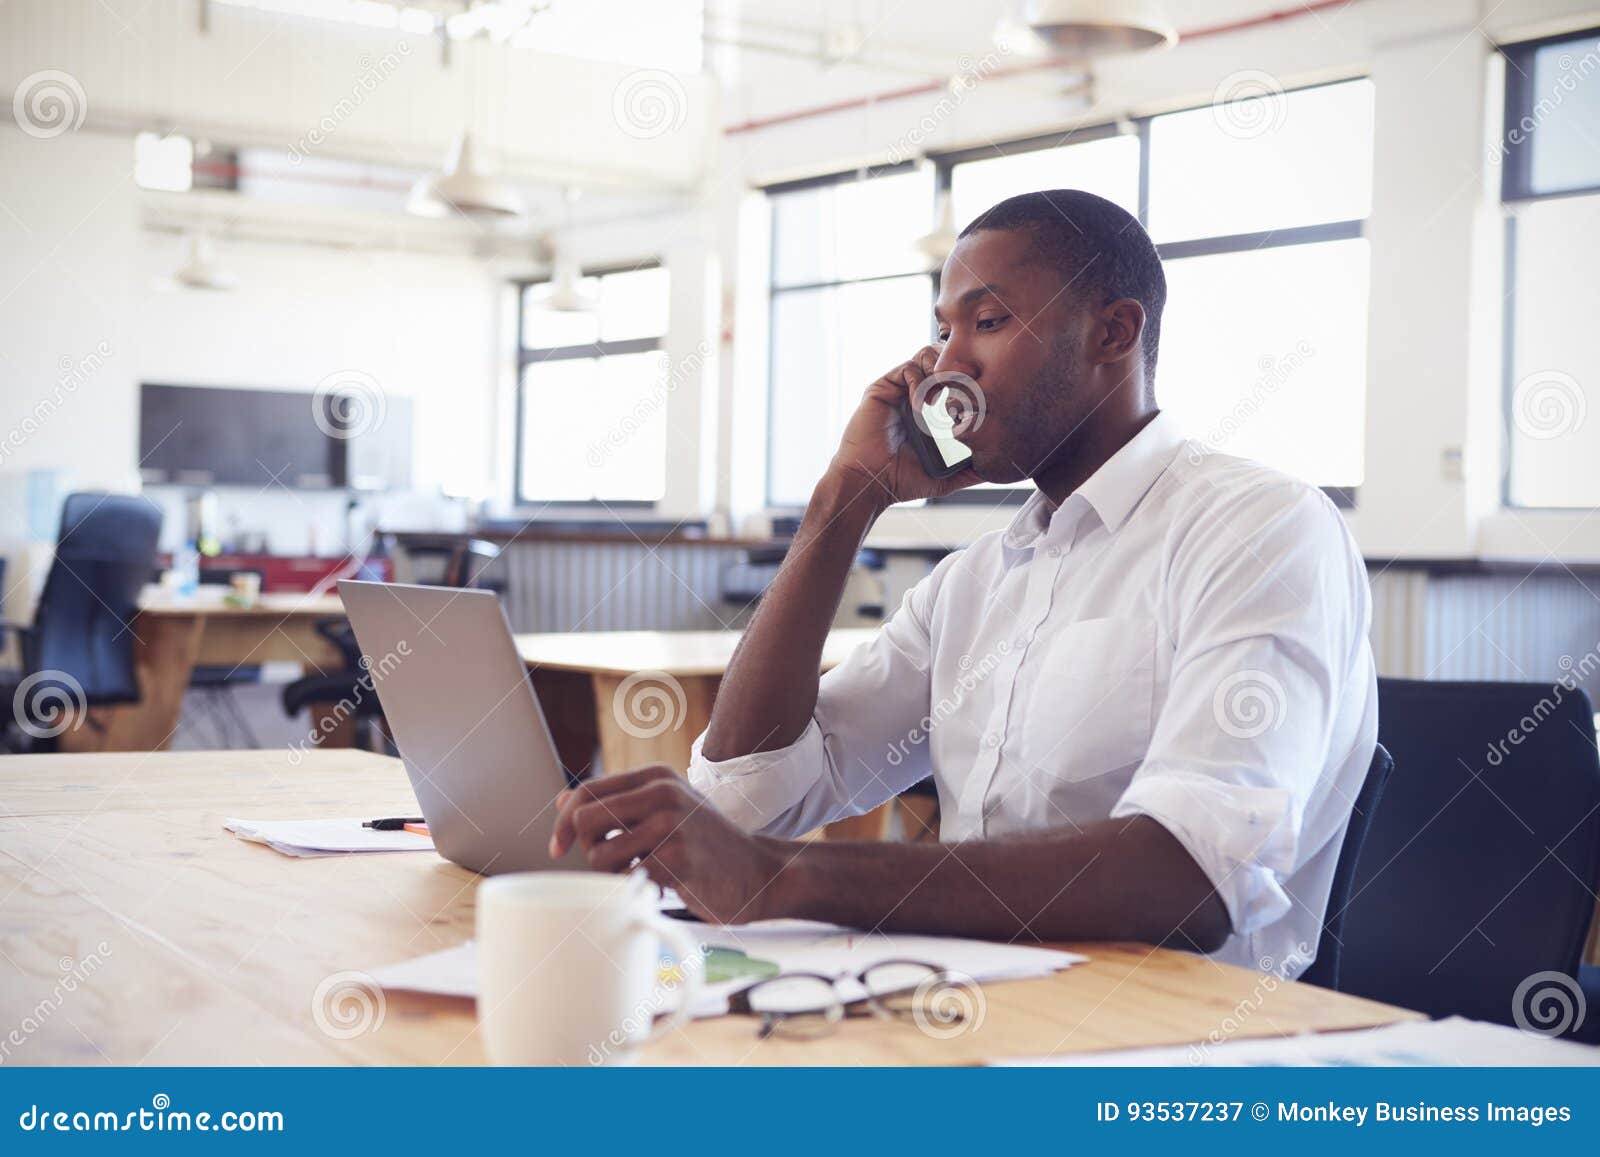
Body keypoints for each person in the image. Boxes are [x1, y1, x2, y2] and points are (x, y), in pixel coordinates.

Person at [550, 189, 1376, 974]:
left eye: (985, 322)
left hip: (1171, 1046)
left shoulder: (1261, 528)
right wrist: (847, 496)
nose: (947, 369)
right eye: (940, 333)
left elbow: (1191, 874)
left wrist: (783, 877)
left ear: (1114, 333)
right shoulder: (975, 581)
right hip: (970, 1001)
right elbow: (748, 797)